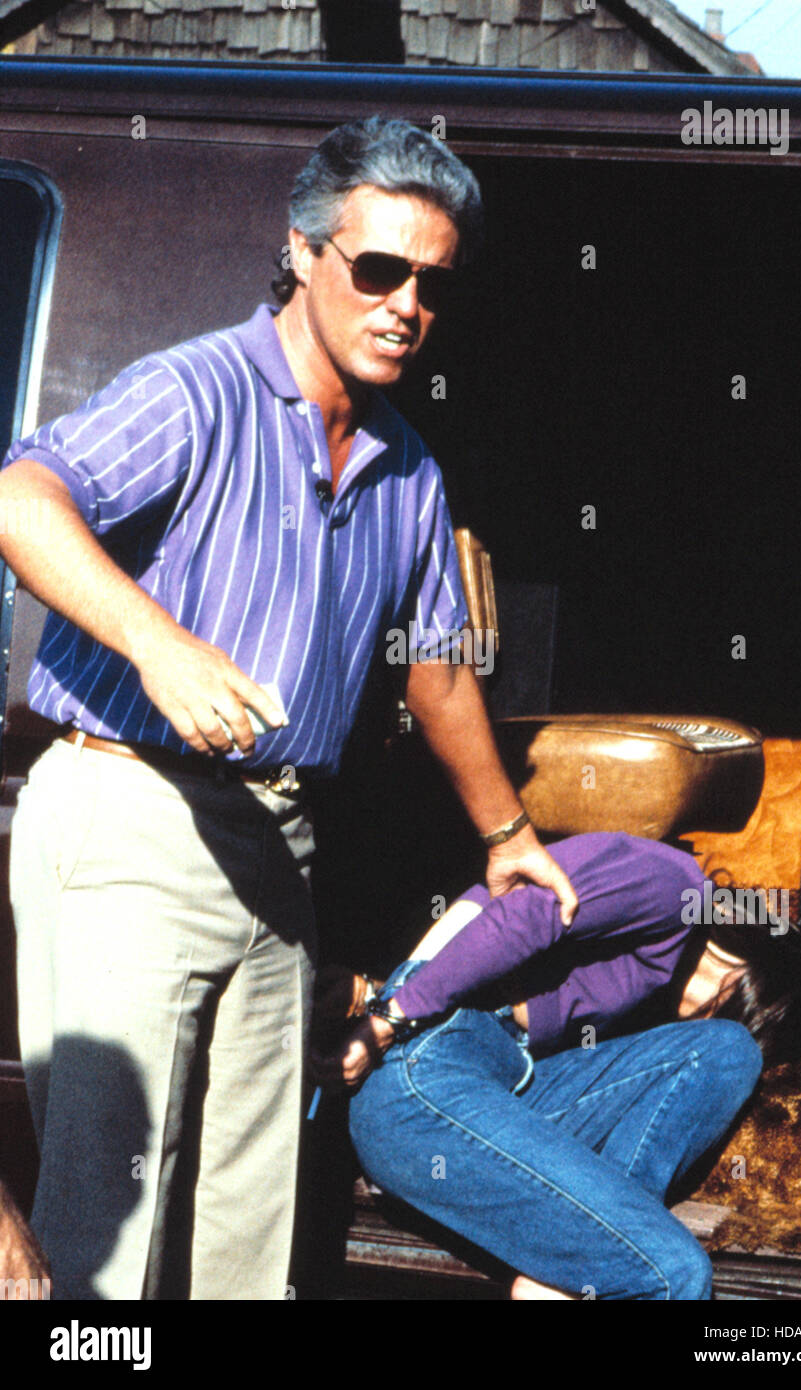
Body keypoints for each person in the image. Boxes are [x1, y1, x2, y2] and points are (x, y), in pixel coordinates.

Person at [0, 117, 576, 1300]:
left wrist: (509, 836)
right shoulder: (196, 391)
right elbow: (20, 496)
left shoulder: (407, 462)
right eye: (378, 269)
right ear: (306, 253)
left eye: (430, 283)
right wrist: (156, 644)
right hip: (132, 813)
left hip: (280, 845)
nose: (404, 304)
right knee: (111, 1223)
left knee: (249, 1230)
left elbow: (437, 667)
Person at [311, 831, 801, 1300]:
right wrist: (386, 1015)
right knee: (672, 1273)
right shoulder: (674, 884)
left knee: (726, 1050)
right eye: (737, 1007)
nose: (710, 1012)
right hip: (425, 1076)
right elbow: (511, 918)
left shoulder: (655, 991)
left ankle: (575, 1271)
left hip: (503, 1078)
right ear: (756, 974)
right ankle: (594, 1270)